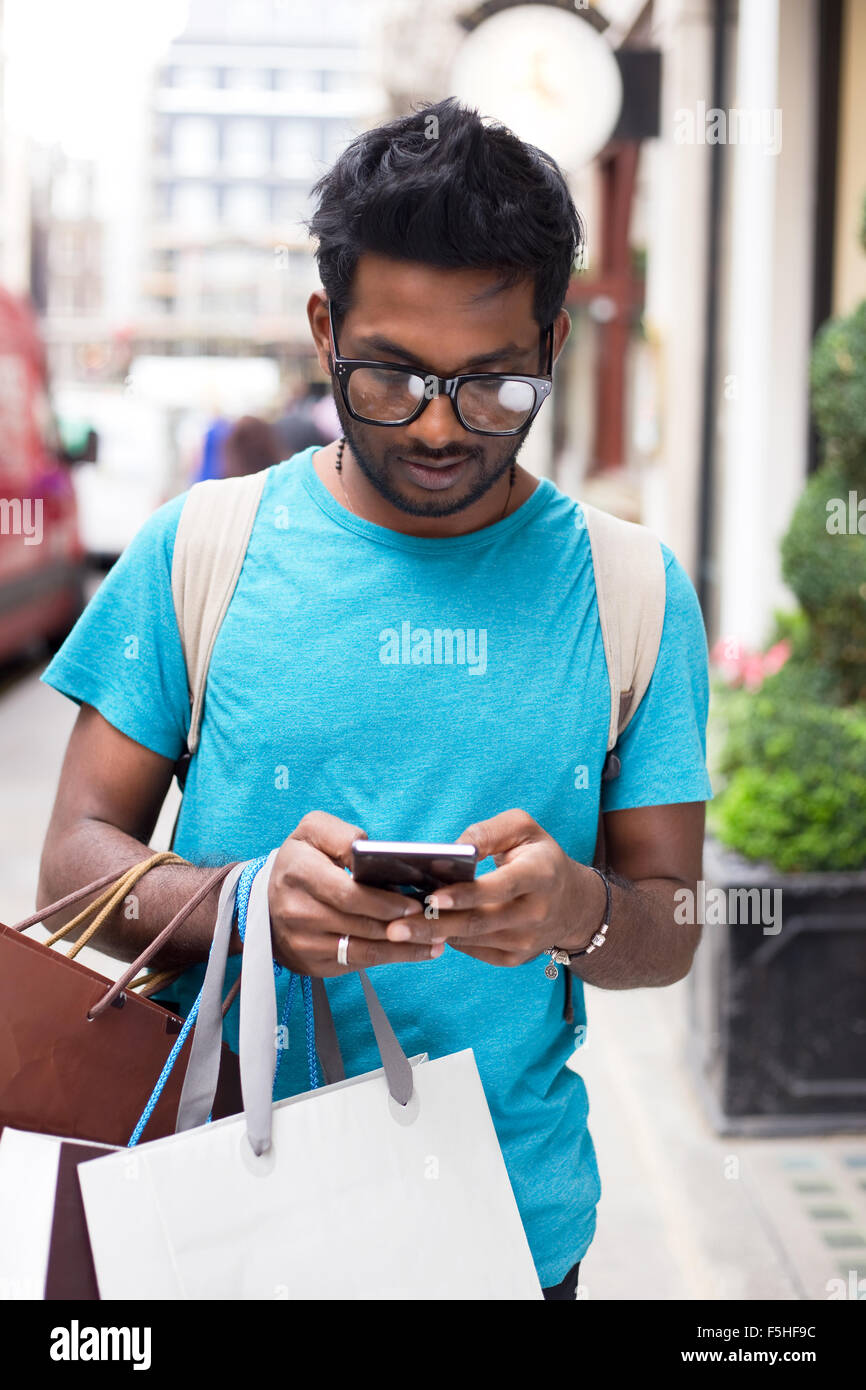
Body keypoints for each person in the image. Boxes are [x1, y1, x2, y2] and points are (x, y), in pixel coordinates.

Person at [37, 98, 712, 1300]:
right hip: (212, 1225)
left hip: (508, 1237)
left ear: (552, 343)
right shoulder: (203, 547)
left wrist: (574, 910)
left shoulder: (629, 589)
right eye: (391, 375)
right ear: (322, 327)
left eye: (495, 384)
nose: (443, 426)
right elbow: (73, 871)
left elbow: (668, 925)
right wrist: (244, 904)